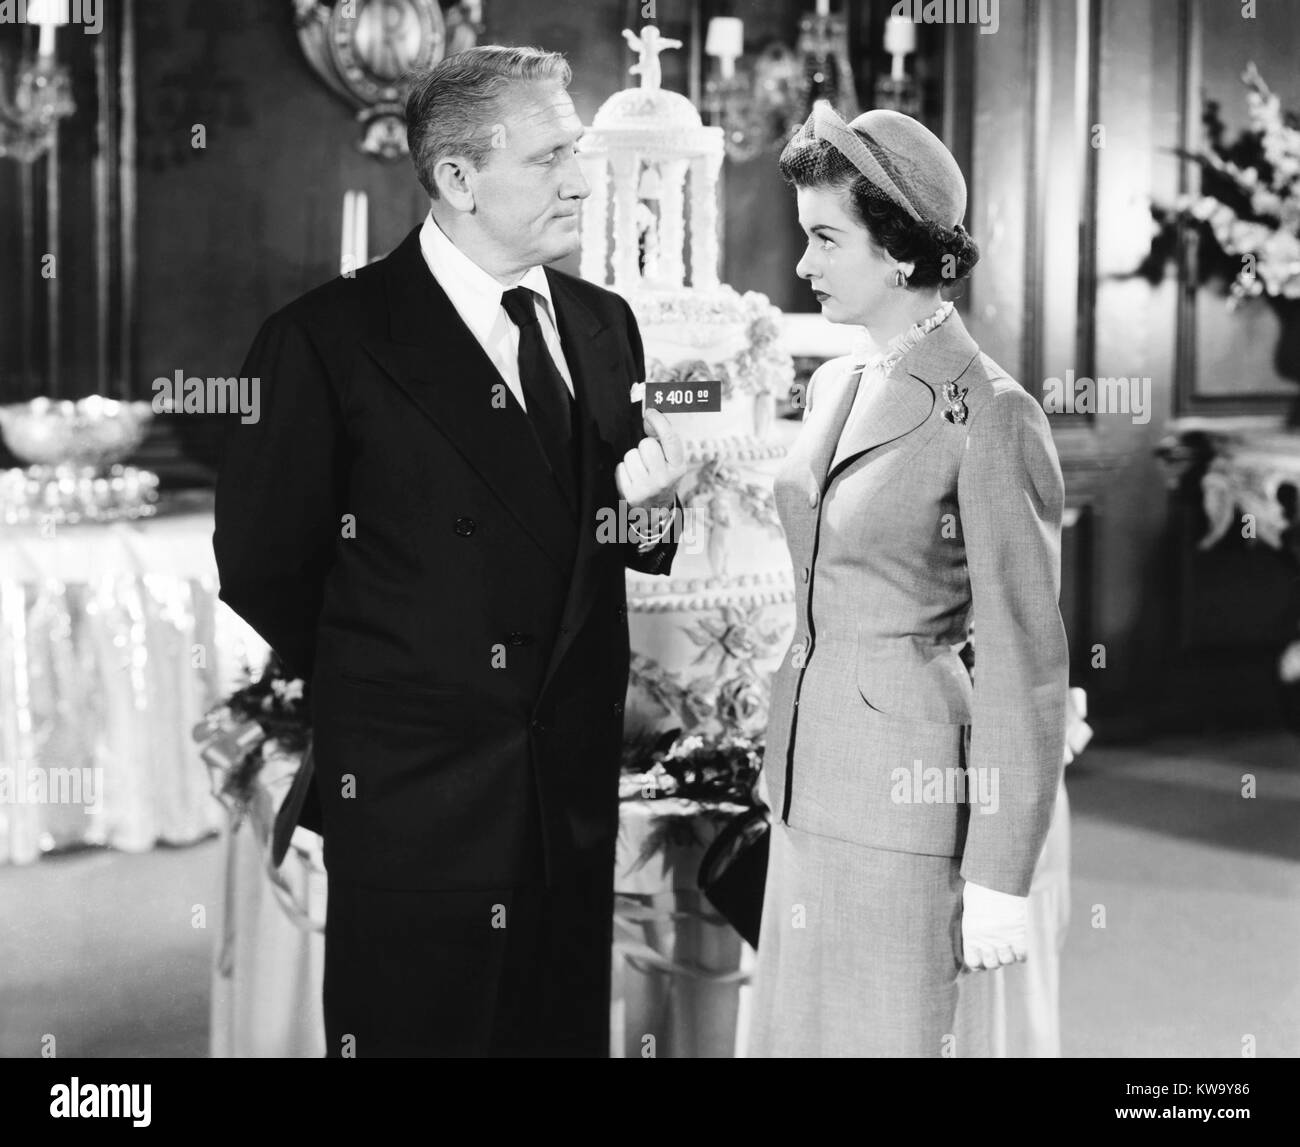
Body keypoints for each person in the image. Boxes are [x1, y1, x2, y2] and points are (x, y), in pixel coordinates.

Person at [212, 45, 689, 1058]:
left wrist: (651, 521)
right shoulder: (324, 340)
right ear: (457, 179)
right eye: (551, 155)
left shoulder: (605, 327)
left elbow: (602, 537)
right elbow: (260, 562)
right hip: (419, 794)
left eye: (581, 151)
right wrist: (403, 672)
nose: (580, 177)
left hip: (566, 795)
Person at [748, 102, 1070, 1057]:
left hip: (902, 805)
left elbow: (1025, 657)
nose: (802, 265)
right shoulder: (837, 384)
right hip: (805, 786)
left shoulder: (993, 413)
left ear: (899, 250)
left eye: (823, 238)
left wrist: (1001, 873)